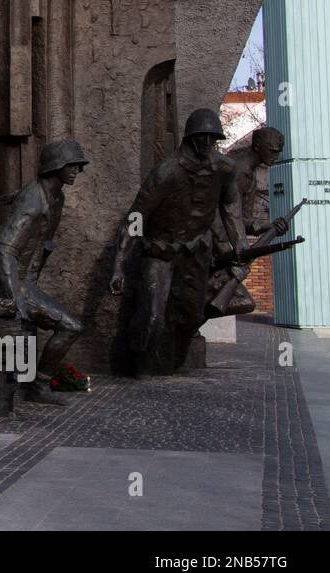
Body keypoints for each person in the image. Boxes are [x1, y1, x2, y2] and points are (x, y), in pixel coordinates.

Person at [109, 108, 247, 374]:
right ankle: (140, 364)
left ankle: (171, 363)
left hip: (196, 253)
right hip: (161, 251)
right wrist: (118, 264)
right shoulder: (166, 172)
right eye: (201, 137)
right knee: (152, 315)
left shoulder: (225, 169)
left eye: (212, 137)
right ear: (190, 138)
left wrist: (238, 240)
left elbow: (230, 206)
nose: (207, 143)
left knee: (192, 316)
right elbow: (134, 219)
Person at [0, 139, 88, 405]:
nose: (76, 171)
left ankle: (37, 385)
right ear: (55, 166)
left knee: (70, 327)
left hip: (24, 281)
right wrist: (14, 297)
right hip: (0, 285)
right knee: (71, 327)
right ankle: (38, 386)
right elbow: (5, 250)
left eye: (78, 166)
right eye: (71, 165)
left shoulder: (55, 196)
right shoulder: (35, 198)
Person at [206, 126, 289, 318]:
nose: (276, 156)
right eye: (273, 150)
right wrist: (233, 252)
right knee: (241, 301)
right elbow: (222, 214)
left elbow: (244, 221)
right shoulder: (238, 170)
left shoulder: (250, 175)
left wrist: (271, 226)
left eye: (279, 151)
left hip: (225, 248)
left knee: (243, 302)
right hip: (212, 247)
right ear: (258, 147)